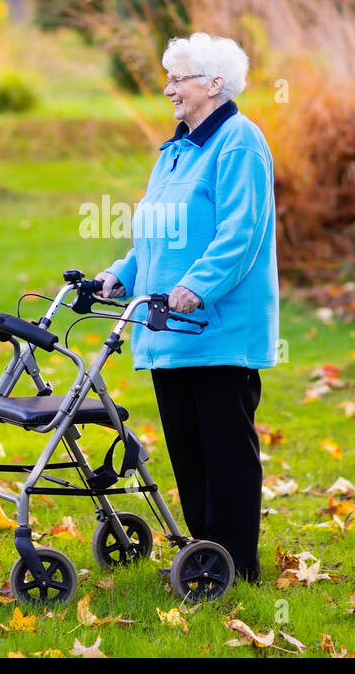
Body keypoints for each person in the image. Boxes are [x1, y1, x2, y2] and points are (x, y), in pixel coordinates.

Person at [95, 31, 279, 584]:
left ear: (215, 84)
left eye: (179, 78)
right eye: (170, 77)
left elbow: (240, 232)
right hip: (168, 329)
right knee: (189, 453)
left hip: (218, 328)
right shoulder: (175, 153)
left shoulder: (240, 144)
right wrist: (118, 276)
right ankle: (205, 560)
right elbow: (154, 235)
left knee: (225, 453)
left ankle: (237, 567)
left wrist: (197, 285)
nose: (169, 88)